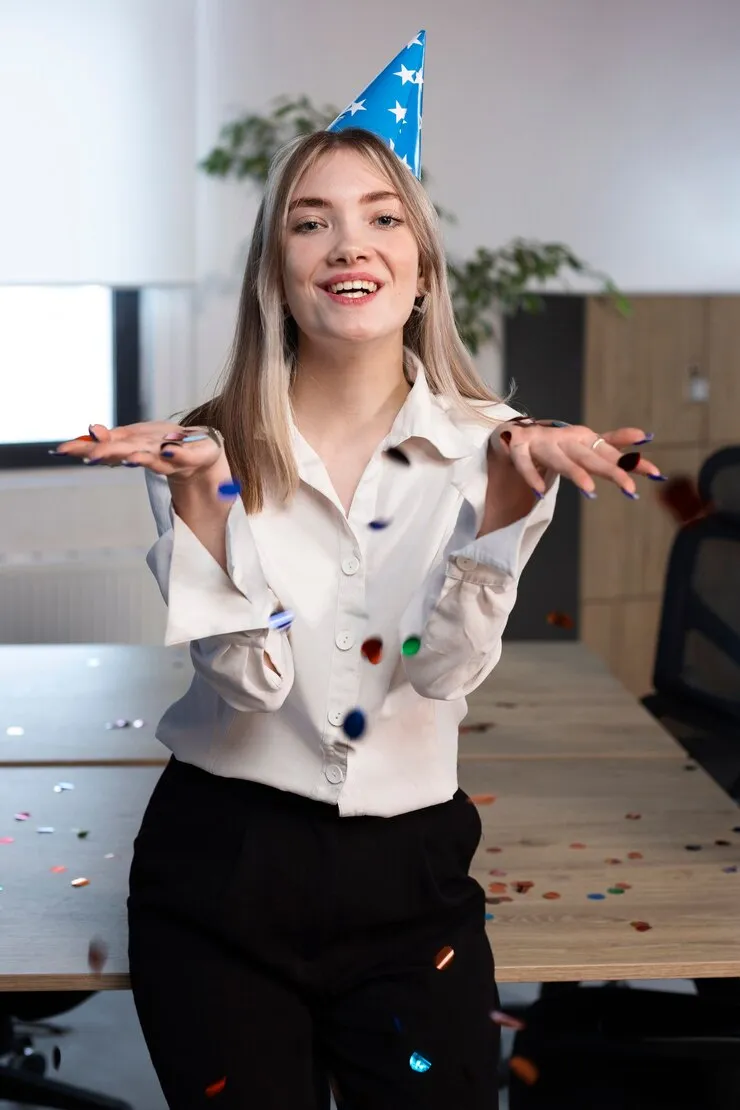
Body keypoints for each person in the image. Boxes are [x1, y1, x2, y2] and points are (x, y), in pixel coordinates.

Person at [53, 32, 661, 1110]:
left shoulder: (499, 451)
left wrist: (501, 522)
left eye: (383, 217)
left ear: (420, 267)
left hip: (408, 883)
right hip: (218, 872)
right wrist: (202, 507)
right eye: (311, 220)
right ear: (277, 273)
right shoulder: (201, 449)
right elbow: (254, 687)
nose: (351, 243)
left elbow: (436, 675)